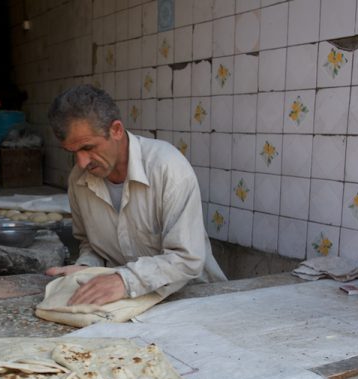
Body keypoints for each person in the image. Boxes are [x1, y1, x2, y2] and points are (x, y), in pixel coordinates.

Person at [45, 84, 226, 306]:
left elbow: (187, 259)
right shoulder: (78, 180)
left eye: (88, 147)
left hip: (194, 299)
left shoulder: (167, 167)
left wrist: (124, 280)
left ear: (117, 130)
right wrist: (84, 270)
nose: (82, 162)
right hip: (130, 303)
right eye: (73, 153)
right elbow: (91, 244)